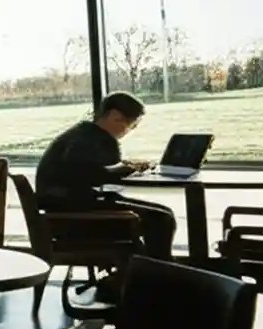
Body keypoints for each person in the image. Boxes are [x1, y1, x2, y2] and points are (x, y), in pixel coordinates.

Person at [36, 91, 176, 262]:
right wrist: (124, 170)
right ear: (115, 116)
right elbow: (89, 174)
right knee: (161, 220)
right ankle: (158, 273)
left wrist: (122, 168)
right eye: (131, 124)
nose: (129, 131)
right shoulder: (95, 140)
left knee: (164, 214)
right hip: (75, 219)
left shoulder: (83, 134)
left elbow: (86, 171)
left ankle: (148, 270)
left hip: (66, 211)